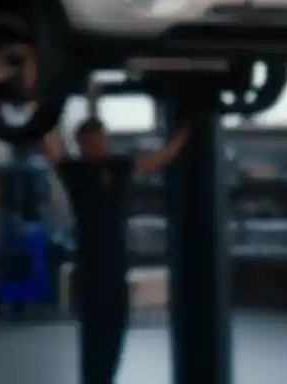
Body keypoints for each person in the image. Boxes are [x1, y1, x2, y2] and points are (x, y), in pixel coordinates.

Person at [40, 117, 191, 384]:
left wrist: (184, 134)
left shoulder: (120, 166)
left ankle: (106, 377)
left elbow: (157, 160)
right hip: (90, 263)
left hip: (116, 260)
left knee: (116, 325)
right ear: (80, 144)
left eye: (98, 140)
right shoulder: (75, 170)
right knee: (94, 329)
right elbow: (50, 148)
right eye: (88, 142)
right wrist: (41, 114)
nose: (94, 145)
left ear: (105, 139)